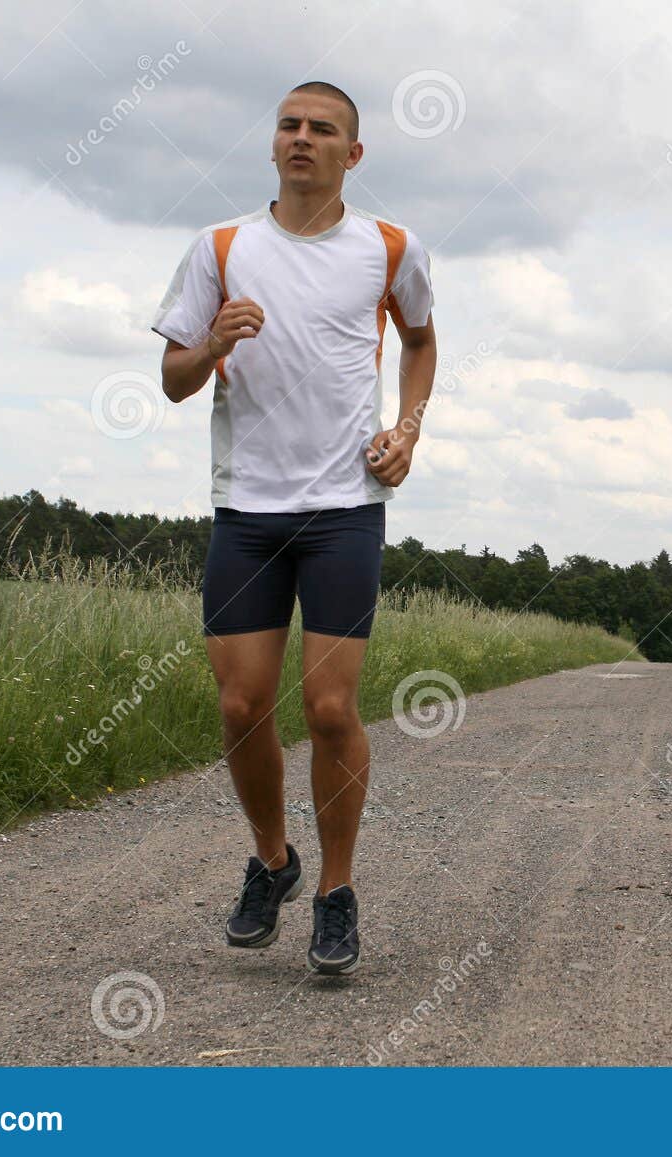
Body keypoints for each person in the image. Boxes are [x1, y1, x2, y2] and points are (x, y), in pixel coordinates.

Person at [150, 80, 437, 974]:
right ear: (272, 144)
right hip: (247, 508)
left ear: (353, 154)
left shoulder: (389, 247)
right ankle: (273, 861)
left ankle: (336, 892)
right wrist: (212, 344)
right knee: (240, 705)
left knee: (329, 706)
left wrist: (409, 429)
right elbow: (172, 377)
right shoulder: (221, 248)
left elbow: (422, 341)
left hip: (345, 506)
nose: (302, 138)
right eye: (289, 125)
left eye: (323, 130)